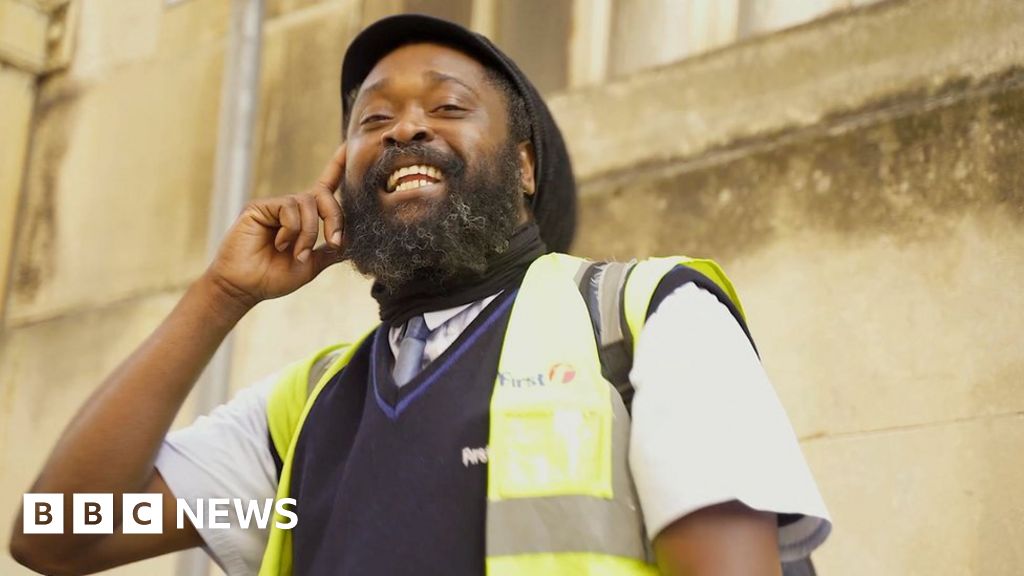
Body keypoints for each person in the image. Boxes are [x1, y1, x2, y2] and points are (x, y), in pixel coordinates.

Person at [9, 14, 831, 576]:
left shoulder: (643, 318)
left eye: (447, 106)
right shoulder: (304, 416)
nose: (405, 128)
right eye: (372, 121)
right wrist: (220, 295)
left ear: (524, 165)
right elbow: (55, 535)